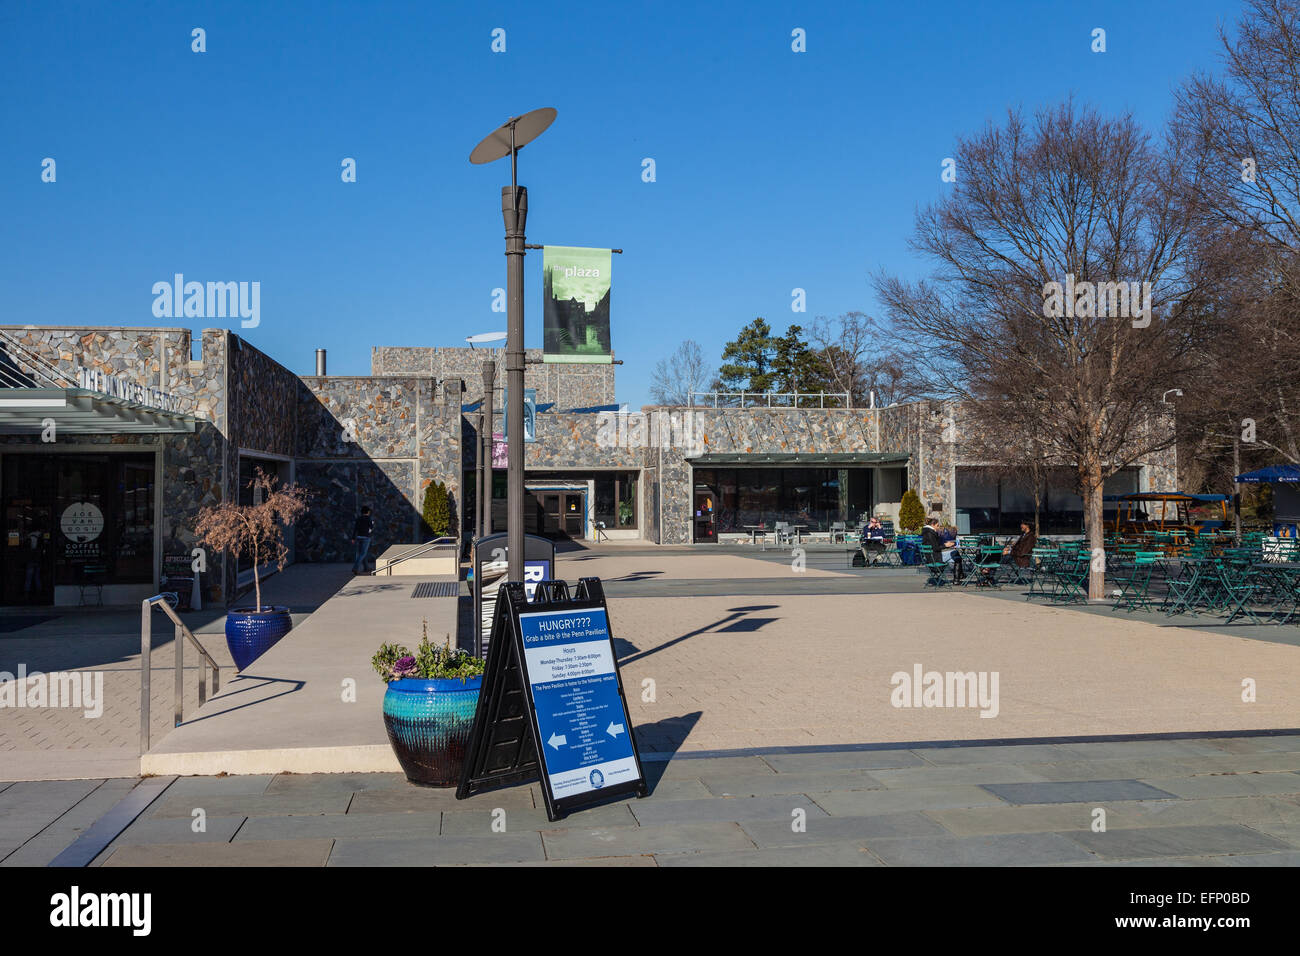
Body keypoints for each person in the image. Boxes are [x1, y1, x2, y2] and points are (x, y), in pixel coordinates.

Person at [352, 506, 373, 575]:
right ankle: (355, 568)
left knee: (362, 553)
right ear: (368, 512)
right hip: (366, 537)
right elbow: (371, 528)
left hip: (358, 537)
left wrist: (353, 538)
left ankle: (366, 567)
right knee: (362, 554)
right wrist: (372, 523)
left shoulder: (358, 519)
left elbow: (355, 529)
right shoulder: (369, 519)